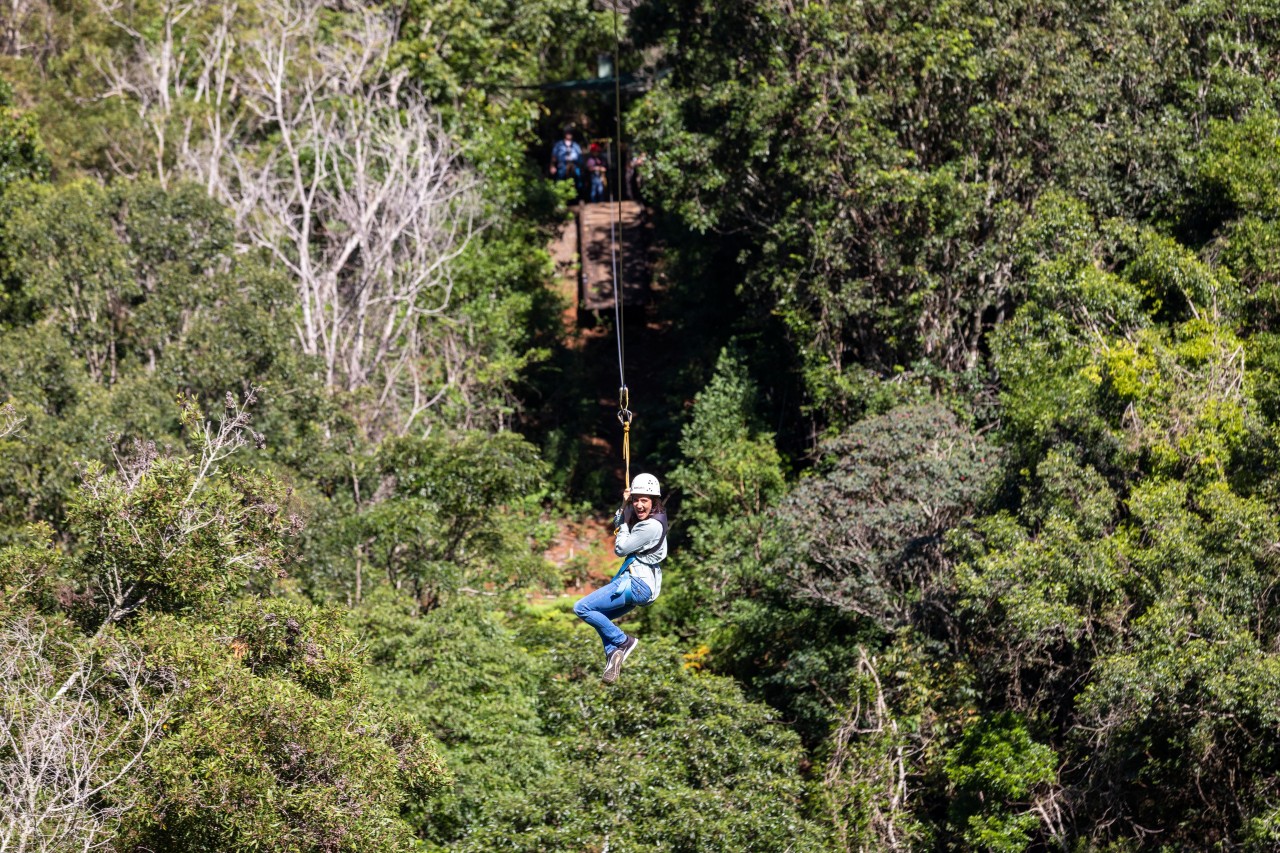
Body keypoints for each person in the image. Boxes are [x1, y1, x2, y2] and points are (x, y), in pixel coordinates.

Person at [573, 473, 669, 684]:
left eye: (644, 500)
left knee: (582, 608)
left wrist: (625, 521)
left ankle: (623, 642)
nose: (639, 505)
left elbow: (620, 547)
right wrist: (624, 504)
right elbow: (620, 522)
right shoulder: (653, 517)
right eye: (636, 500)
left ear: (654, 501)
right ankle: (613, 654)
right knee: (599, 617)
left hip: (636, 583)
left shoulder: (651, 526)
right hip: (643, 586)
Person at [550, 128, 582, 197]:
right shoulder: (559, 144)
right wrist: (552, 166)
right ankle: (560, 198)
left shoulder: (576, 145)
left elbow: (580, 157)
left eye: (570, 133)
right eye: (567, 133)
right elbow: (554, 156)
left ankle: (578, 198)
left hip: (574, 165)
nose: (569, 135)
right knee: (560, 181)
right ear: (564, 134)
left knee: (578, 180)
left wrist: (581, 166)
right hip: (562, 165)